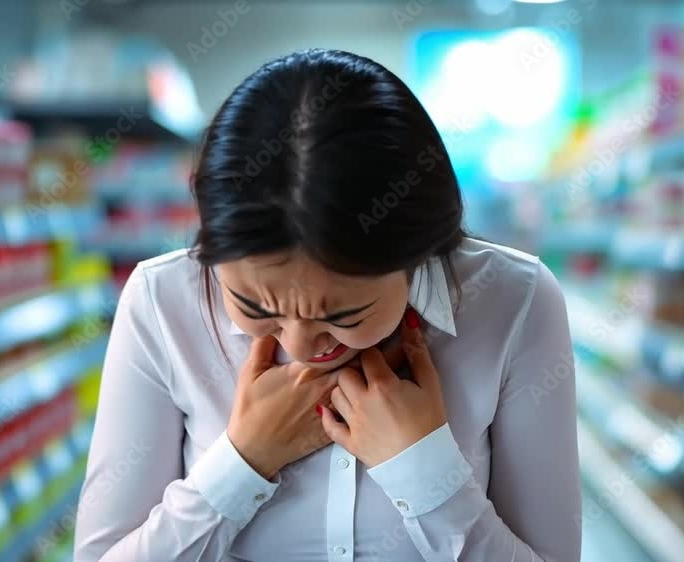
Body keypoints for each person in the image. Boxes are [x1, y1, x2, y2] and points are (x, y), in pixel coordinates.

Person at [73, 48, 581, 562]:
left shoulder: (515, 300)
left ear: (417, 255)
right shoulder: (162, 304)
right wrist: (241, 463)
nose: (297, 344)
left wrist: (427, 476)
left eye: (343, 316)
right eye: (254, 306)